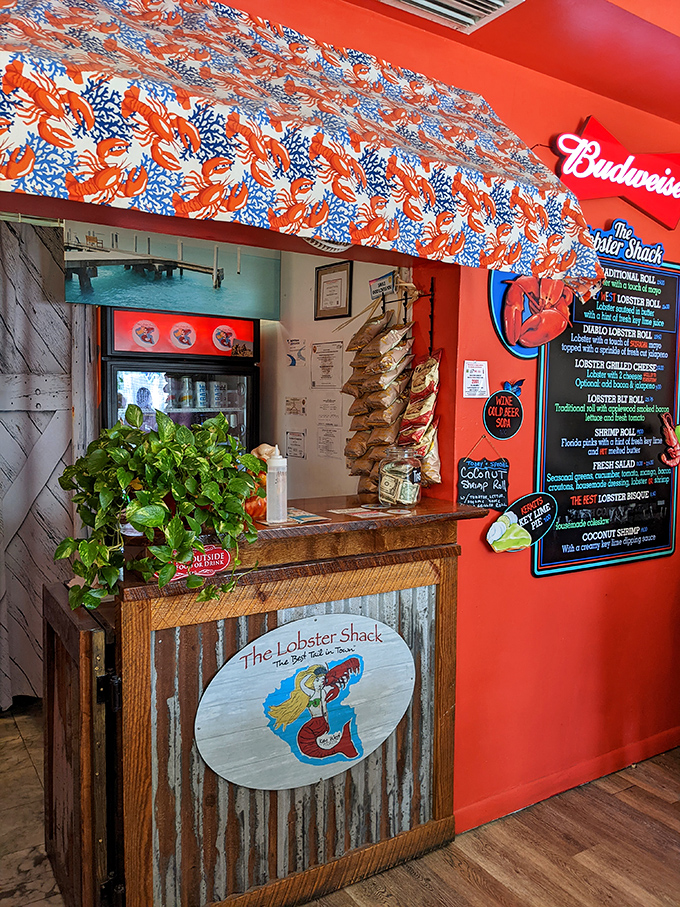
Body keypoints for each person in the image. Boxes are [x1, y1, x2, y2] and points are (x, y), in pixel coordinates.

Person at [267, 660, 360, 760]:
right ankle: (341, 746)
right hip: (313, 724)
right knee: (309, 747)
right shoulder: (311, 694)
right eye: (317, 680)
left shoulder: (323, 692)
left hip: (320, 723)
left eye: (322, 679)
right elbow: (302, 685)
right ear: (311, 682)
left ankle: (342, 746)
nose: (320, 682)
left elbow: (333, 685)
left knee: (316, 747)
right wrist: (309, 675)